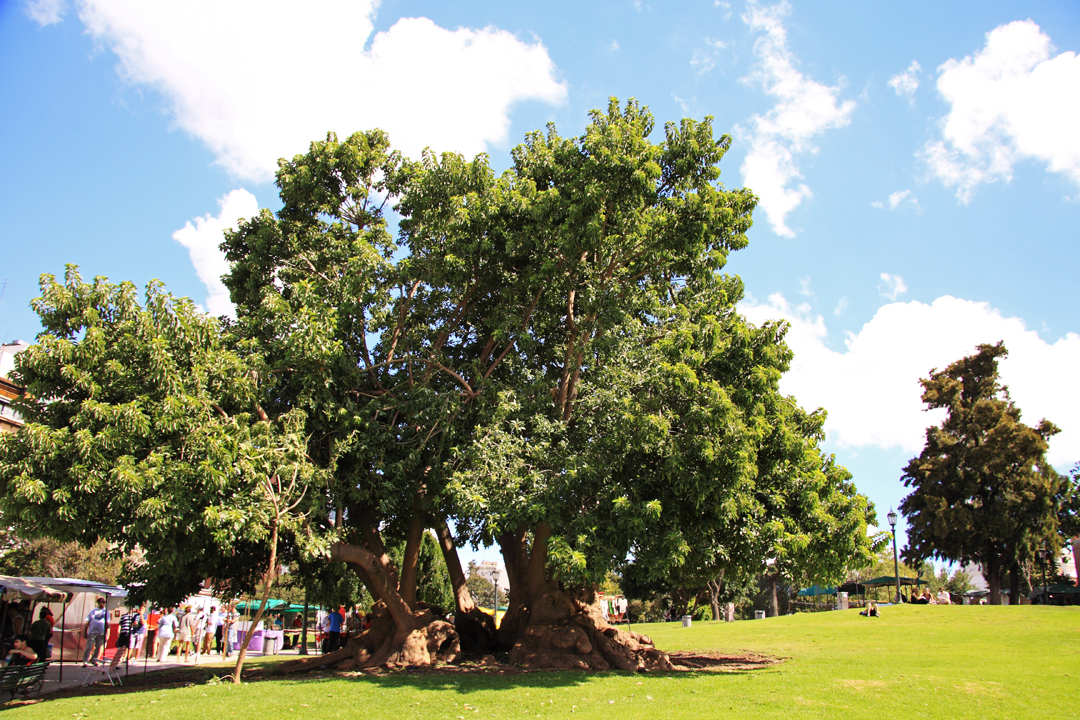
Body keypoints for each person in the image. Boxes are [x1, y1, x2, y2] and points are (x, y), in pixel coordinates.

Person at [109, 605, 141, 670]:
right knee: (120, 646)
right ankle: (117, 660)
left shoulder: (135, 615)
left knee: (128, 646)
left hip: (130, 633)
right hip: (123, 632)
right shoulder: (124, 615)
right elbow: (120, 624)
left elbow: (136, 623)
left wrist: (133, 622)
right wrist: (118, 631)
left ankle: (125, 658)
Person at [82, 597, 108, 667]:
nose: (103, 604)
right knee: (89, 646)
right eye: (101, 602)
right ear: (98, 603)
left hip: (101, 631)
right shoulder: (93, 611)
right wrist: (85, 631)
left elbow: (107, 623)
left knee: (98, 647)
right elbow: (88, 621)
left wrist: (106, 633)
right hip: (92, 631)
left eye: (104, 602)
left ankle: (94, 660)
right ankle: (85, 661)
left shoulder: (106, 612)